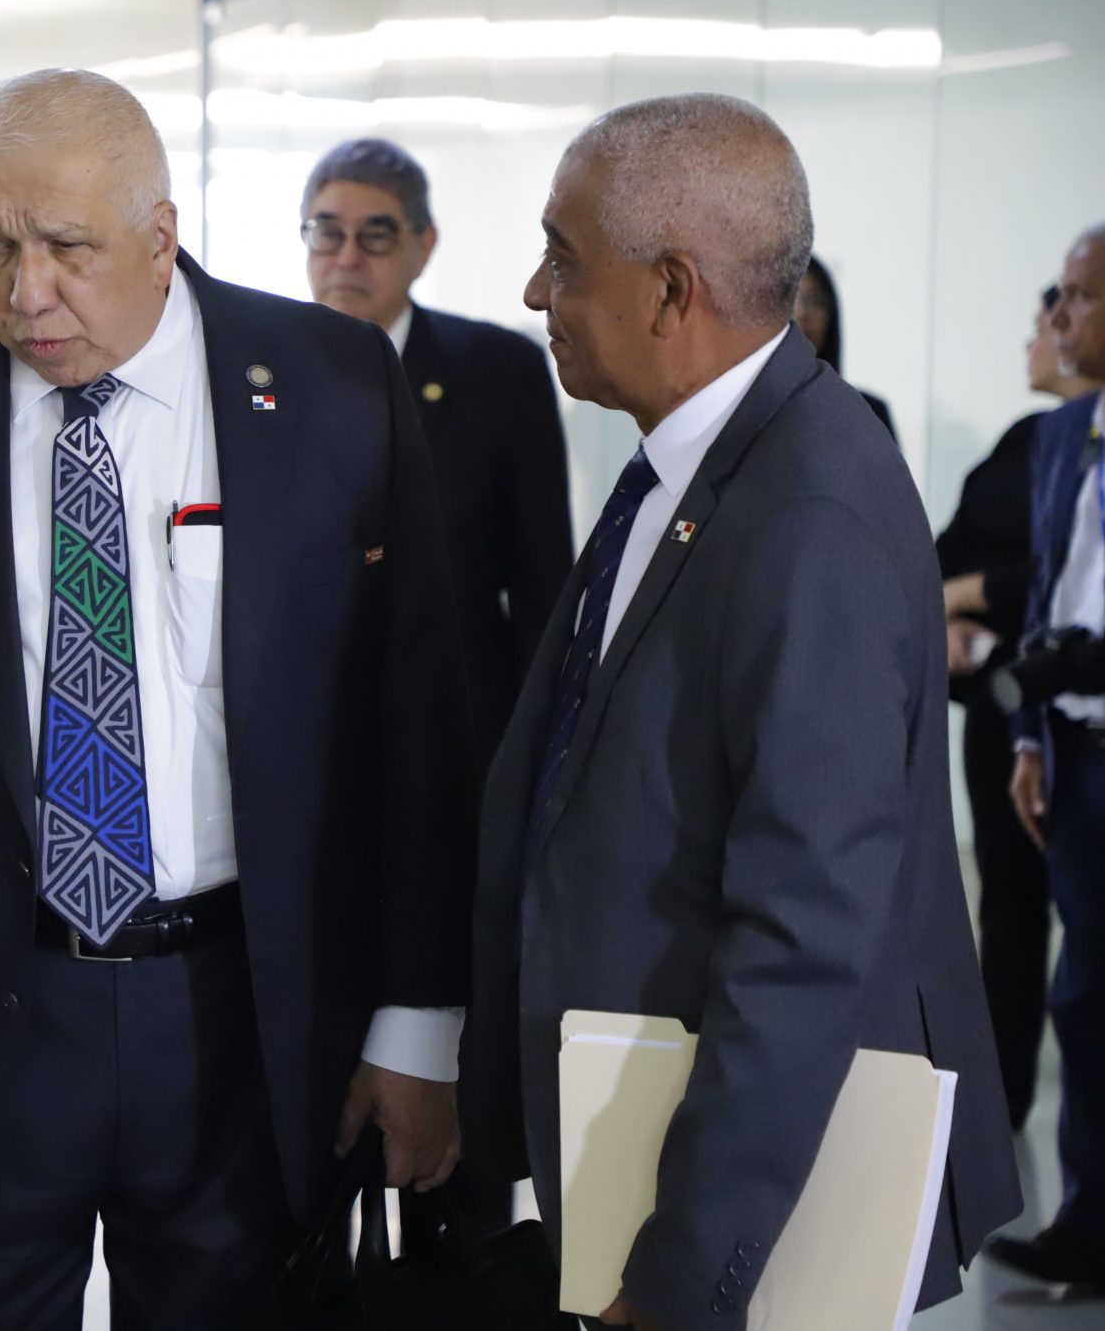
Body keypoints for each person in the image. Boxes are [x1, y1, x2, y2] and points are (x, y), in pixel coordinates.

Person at [0, 67, 478, 1328]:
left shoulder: (331, 386)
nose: (25, 293)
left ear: (159, 233)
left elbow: (417, 720)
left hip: (242, 1021)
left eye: (66, 248)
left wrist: (415, 1027)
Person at [463, 93, 1019, 1331]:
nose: (534, 292)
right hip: (641, 1136)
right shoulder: (699, 463)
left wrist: (682, 1270)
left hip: (740, 1210)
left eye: (561, 258)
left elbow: (804, 933)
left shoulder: (805, 513)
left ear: (672, 290)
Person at [302, 138, 572, 773]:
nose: (347, 257)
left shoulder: (500, 372)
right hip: (304, 730)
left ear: (424, 246)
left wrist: (544, 757)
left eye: (376, 235)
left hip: (456, 735)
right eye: (327, 232)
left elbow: (542, 583)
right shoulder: (256, 375)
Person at [939, 284, 1101, 1132]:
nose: (1042, 335)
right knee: (1010, 904)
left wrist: (965, 594)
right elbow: (951, 552)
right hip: (1010, 702)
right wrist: (948, 610)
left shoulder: (1077, 443)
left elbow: (1051, 577)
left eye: (1055, 317)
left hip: (1069, 703)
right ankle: (1002, 1099)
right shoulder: (1031, 438)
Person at [995, 223, 1105, 1288]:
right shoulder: (1067, 432)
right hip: (1075, 750)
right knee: (1083, 996)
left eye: (1079, 295)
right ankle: (1086, 1221)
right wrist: (1028, 734)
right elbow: (1044, 589)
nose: (1058, 315)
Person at [795, 253, 895, 437]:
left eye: (815, 301)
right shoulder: (745, 411)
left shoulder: (868, 414)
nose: (802, 313)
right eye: (789, 300)